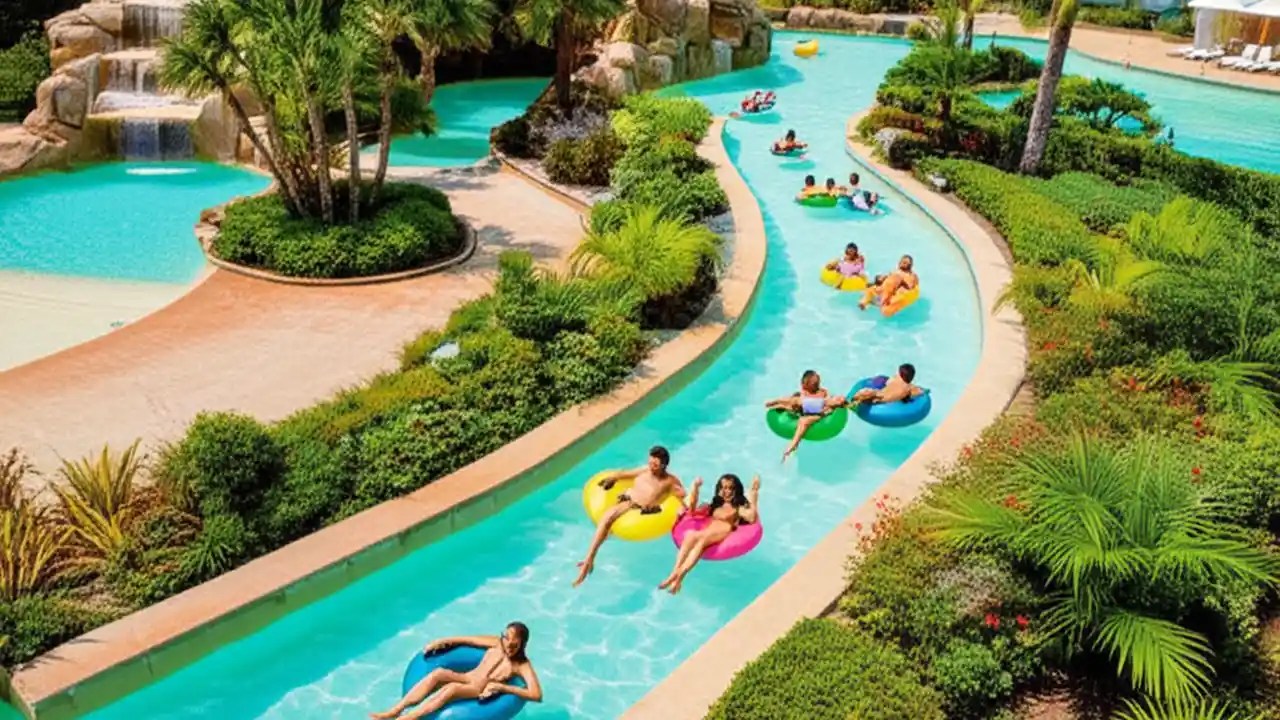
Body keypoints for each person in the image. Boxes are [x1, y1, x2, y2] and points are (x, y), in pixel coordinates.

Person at [371, 622, 543, 720]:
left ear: (522, 644)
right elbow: (467, 640)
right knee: (438, 673)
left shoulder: (521, 665)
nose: (508, 646)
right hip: (467, 676)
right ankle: (395, 710)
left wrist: (503, 688)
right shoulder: (496, 643)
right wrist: (442, 641)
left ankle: (411, 717)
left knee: (451, 689)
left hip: (477, 689)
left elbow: (537, 695)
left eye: (514, 644)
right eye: (506, 639)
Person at [573, 446, 685, 587]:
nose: (651, 467)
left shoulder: (670, 482)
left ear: (664, 465)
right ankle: (589, 560)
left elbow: (681, 499)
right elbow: (626, 474)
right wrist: (613, 478)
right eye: (650, 462)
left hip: (640, 509)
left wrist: (683, 509)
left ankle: (589, 561)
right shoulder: (645, 470)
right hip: (627, 500)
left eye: (655, 465)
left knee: (607, 522)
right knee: (606, 520)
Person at [658, 474, 761, 594]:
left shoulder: (738, 507)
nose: (726, 491)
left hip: (723, 530)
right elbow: (692, 509)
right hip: (709, 529)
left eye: (730, 488)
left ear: (736, 490)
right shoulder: (715, 504)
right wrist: (695, 488)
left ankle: (678, 576)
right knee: (691, 535)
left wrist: (753, 492)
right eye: (723, 488)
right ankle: (674, 574)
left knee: (701, 541)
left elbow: (752, 517)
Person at [765, 370, 847, 461]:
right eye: (812, 384)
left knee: (803, 421)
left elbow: (831, 402)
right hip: (805, 409)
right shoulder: (804, 392)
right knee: (796, 401)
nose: (815, 386)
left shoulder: (823, 393)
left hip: (819, 413)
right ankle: (780, 403)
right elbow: (799, 401)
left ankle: (793, 444)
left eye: (815, 384)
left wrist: (834, 403)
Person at [850, 363, 925, 405]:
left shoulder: (894, 379)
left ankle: (854, 401)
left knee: (869, 393)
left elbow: (887, 382)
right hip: (884, 400)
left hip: (879, 395)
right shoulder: (910, 388)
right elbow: (920, 392)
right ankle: (858, 400)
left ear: (899, 374)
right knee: (873, 396)